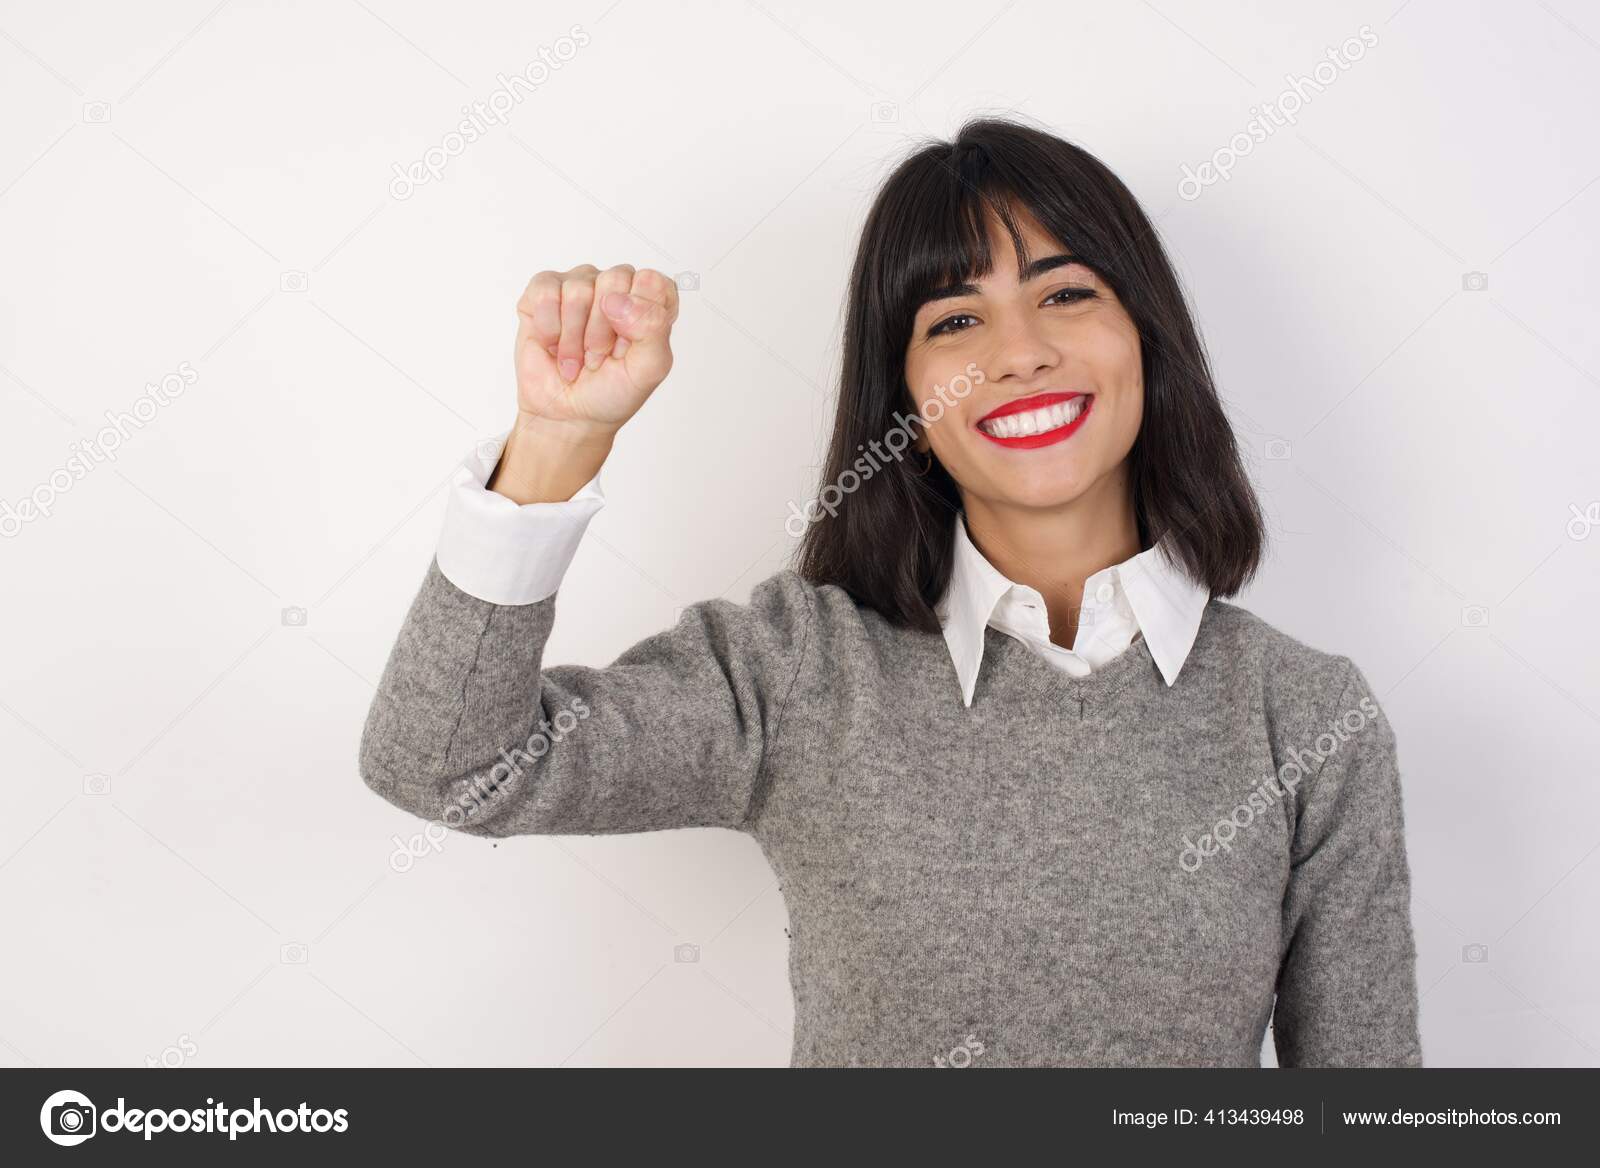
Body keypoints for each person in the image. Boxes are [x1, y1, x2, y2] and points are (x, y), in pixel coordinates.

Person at [359, 116, 1423, 1068]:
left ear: (1148, 336)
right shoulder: (799, 670)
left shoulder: (1308, 718)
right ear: (906, 395)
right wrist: (556, 442)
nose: (1020, 354)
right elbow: (451, 767)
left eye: (1065, 293)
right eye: (954, 321)